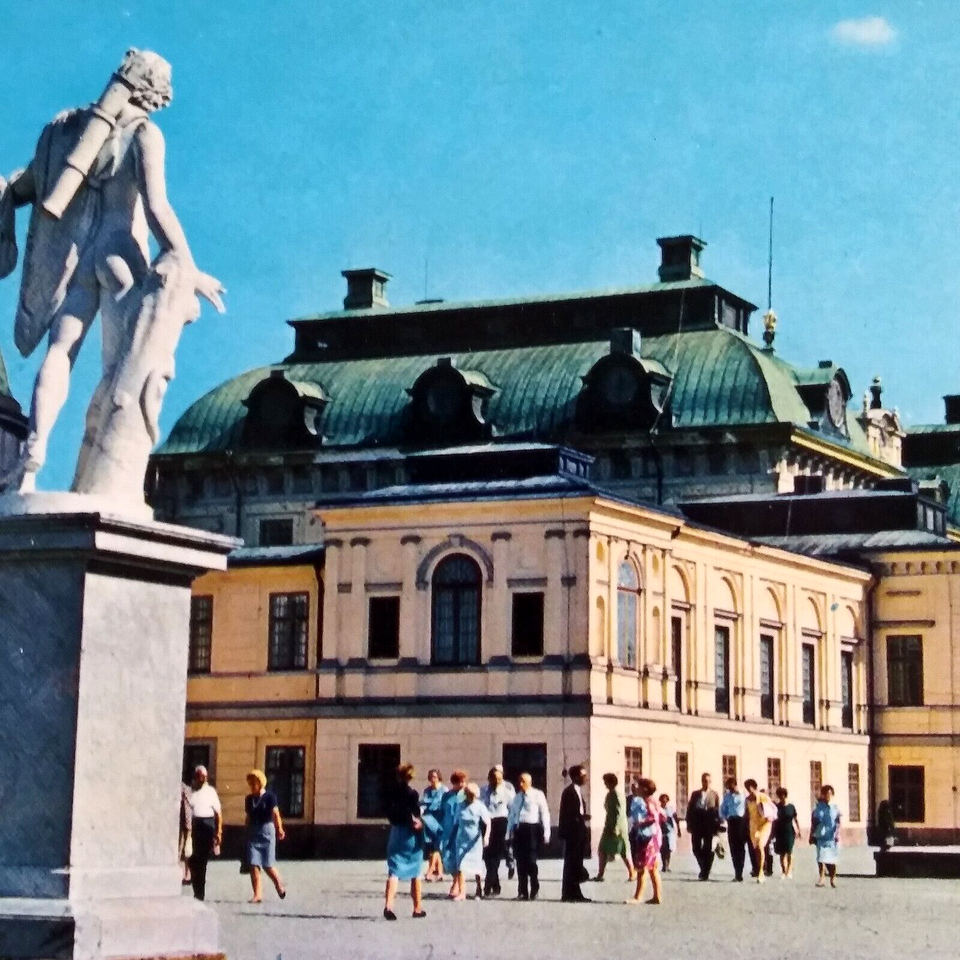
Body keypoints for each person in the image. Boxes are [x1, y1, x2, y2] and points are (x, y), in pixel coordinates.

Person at [0, 48, 225, 493]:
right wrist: (187, 265)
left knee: (60, 353)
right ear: (154, 93)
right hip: (119, 253)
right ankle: (103, 472)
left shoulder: (66, 133)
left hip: (77, 257)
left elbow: (21, 188)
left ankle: (34, 451)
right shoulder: (144, 134)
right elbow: (157, 207)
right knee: (120, 371)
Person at [383, 763, 427, 920]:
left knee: (394, 871)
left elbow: (388, 811)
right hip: (410, 835)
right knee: (415, 872)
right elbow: (415, 812)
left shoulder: (391, 792)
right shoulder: (412, 794)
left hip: (396, 832)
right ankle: (417, 908)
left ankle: (388, 905)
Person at [506, 772, 551, 901]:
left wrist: (547, 833)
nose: (520, 784)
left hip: (532, 828)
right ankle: (522, 891)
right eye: (519, 781)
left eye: (523, 782)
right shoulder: (517, 797)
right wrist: (508, 832)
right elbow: (512, 815)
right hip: (519, 829)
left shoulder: (538, 795)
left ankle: (534, 889)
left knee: (531, 861)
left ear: (529, 782)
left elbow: (545, 813)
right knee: (520, 861)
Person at [244, 770, 287, 904]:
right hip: (253, 832)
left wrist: (280, 829)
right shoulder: (249, 799)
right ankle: (257, 894)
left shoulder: (270, 797)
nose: (251, 785)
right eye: (250, 782)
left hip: (267, 831)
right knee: (253, 864)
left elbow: (275, 814)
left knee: (268, 865)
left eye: (254, 782)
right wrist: (246, 831)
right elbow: (248, 816)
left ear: (260, 782)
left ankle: (279, 884)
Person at [186, 766, 222, 901]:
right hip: (194, 825)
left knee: (202, 861)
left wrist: (219, 832)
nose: (202, 779)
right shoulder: (190, 792)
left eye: (204, 777)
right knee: (192, 859)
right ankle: (197, 888)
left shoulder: (211, 792)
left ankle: (200, 892)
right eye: (199, 776)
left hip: (207, 825)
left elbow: (218, 813)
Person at [450, 782, 491, 901]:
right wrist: (451, 839)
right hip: (461, 840)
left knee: (477, 866)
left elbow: (488, 822)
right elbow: (456, 824)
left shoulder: (480, 806)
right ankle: (462, 892)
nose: (471, 797)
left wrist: (486, 836)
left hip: (475, 841)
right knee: (461, 866)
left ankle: (479, 888)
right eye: (469, 795)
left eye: (473, 795)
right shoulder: (460, 806)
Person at [479, 764, 516, 896]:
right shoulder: (483, 790)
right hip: (487, 822)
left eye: (499, 779)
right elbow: (479, 805)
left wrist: (511, 827)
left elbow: (513, 810)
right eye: (494, 779)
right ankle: (495, 884)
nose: (496, 781)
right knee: (488, 855)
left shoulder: (507, 791)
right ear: (489, 778)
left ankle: (488, 884)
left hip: (501, 822)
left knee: (495, 855)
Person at [627, 779, 663, 905]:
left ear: (645, 789)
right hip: (654, 837)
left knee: (642, 867)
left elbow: (653, 817)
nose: (637, 788)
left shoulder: (648, 801)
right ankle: (657, 896)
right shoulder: (652, 801)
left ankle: (638, 897)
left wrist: (640, 823)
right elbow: (662, 816)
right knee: (653, 868)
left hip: (648, 838)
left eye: (640, 786)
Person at [559, 765, 591, 902]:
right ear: (575, 777)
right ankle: (569, 893)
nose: (586, 778)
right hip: (573, 833)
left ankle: (574, 892)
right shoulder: (569, 792)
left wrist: (584, 817)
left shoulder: (577, 791)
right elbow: (566, 814)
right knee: (571, 863)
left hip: (579, 832)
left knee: (576, 862)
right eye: (583, 775)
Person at [595, 773, 632, 881]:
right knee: (602, 850)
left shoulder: (617, 794)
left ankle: (632, 872)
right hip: (609, 825)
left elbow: (619, 812)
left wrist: (616, 828)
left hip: (617, 827)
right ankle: (600, 874)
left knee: (623, 850)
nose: (605, 784)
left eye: (606, 782)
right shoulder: (610, 794)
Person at [686, 772, 720, 880]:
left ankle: (705, 872)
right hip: (697, 824)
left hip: (709, 824)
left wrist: (718, 825)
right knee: (696, 848)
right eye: (705, 781)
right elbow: (690, 809)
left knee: (708, 848)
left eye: (708, 781)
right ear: (702, 781)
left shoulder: (714, 794)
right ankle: (704, 868)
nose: (707, 783)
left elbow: (717, 811)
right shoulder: (695, 794)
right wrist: (689, 823)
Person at [439, 770, 467, 895]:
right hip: (447, 830)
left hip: (461, 831)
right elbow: (441, 811)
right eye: (459, 782)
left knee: (459, 858)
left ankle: (457, 884)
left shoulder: (466, 795)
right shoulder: (447, 796)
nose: (462, 784)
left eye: (463, 781)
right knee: (447, 858)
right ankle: (455, 879)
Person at [744, 779, 776, 882]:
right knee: (756, 849)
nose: (749, 790)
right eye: (747, 788)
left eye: (751, 787)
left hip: (765, 824)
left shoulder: (763, 796)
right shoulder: (747, 800)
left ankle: (761, 872)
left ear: (754, 787)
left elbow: (773, 808)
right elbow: (747, 813)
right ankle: (759, 868)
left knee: (761, 846)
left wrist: (771, 817)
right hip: (754, 826)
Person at [811, 785, 842, 888]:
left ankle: (833, 878)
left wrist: (837, 833)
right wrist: (812, 834)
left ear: (832, 794)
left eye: (830, 793)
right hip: (821, 835)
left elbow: (838, 821)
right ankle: (822, 878)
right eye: (826, 793)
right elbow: (814, 821)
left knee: (832, 860)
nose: (828, 795)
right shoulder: (819, 807)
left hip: (832, 837)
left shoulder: (835, 807)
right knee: (821, 858)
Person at [719, 777, 747, 882]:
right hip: (732, 822)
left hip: (741, 821)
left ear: (734, 784)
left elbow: (747, 807)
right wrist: (724, 818)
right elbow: (723, 809)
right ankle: (737, 873)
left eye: (730, 785)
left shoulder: (743, 795)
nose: (728, 788)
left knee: (741, 847)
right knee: (733, 848)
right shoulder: (727, 796)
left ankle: (740, 871)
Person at [420, 769, 446, 882]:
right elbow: (423, 803)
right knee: (432, 847)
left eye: (434, 776)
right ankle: (440, 873)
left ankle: (430, 872)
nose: (432, 779)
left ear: (439, 777)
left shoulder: (444, 791)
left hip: (440, 822)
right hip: (429, 821)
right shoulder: (427, 791)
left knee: (436, 847)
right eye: (430, 777)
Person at [773, 787, 801, 879]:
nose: (781, 798)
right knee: (782, 853)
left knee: (789, 851)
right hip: (779, 830)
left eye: (782, 796)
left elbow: (795, 819)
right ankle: (783, 870)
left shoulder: (791, 807)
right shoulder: (777, 807)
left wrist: (798, 830)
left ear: (785, 796)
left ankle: (789, 870)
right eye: (779, 796)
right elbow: (774, 820)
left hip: (789, 830)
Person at [658, 793, 681, 873]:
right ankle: (664, 865)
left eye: (665, 801)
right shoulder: (658, 809)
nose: (663, 802)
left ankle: (667, 864)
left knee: (668, 848)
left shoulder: (671, 809)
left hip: (669, 831)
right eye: (662, 801)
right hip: (660, 831)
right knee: (662, 849)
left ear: (667, 801)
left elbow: (676, 819)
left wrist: (679, 830)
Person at [178, 781, 192, 885]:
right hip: (181, 824)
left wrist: (188, 826)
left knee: (186, 849)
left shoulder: (183, 788)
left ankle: (187, 874)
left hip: (184, 825)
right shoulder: (185, 788)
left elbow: (187, 807)